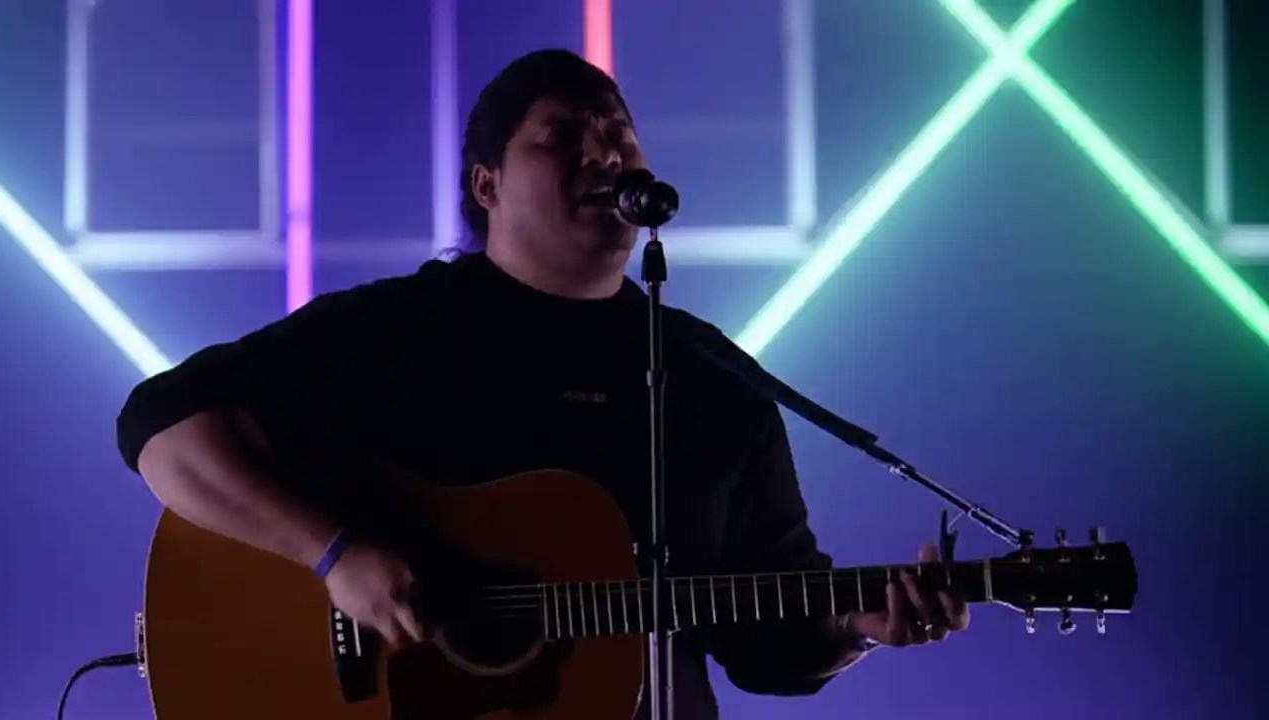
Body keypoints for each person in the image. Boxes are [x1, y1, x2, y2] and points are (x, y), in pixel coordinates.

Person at [116, 48, 968, 718]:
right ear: (486, 184)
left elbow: (766, 649)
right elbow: (161, 427)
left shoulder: (713, 384)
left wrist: (863, 628)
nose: (607, 150)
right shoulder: (397, 331)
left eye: (621, 133)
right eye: (563, 135)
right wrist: (333, 552)